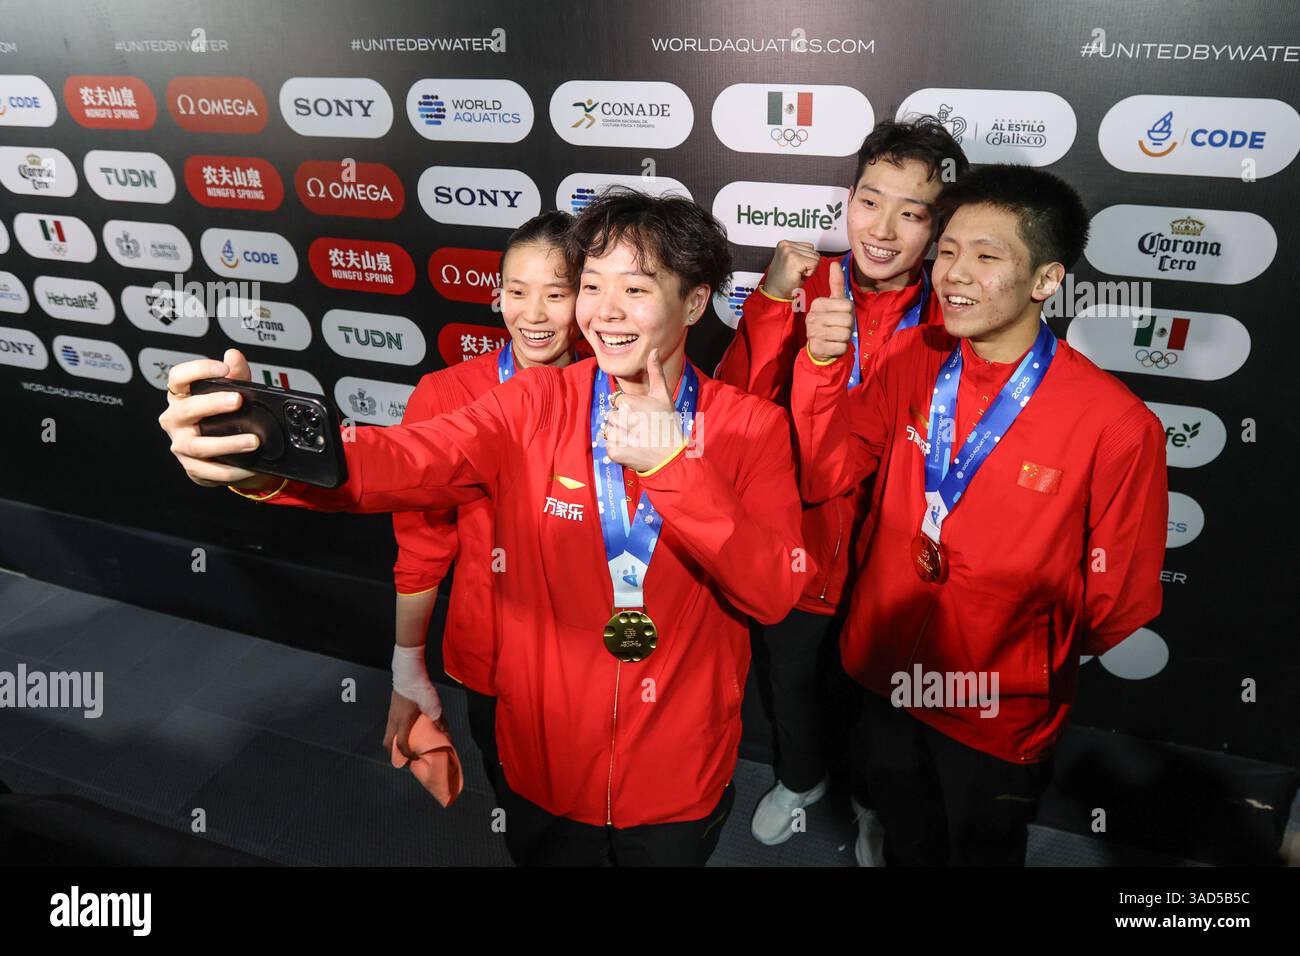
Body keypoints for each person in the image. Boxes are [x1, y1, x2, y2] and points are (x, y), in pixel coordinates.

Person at [157, 189, 811, 867]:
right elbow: (405, 459)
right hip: (543, 765)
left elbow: (773, 591)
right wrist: (265, 455)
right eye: (590, 285)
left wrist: (675, 468)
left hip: (680, 775)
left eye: (636, 288)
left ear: (695, 302)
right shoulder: (534, 402)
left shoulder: (749, 427)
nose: (605, 312)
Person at [791, 164, 1167, 866]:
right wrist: (818, 366)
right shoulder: (913, 356)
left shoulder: (1117, 425)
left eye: (988, 257)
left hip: (995, 713)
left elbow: (1121, 603)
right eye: (950, 252)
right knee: (905, 840)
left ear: (1046, 281)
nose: (954, 275)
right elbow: (828, 470)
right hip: (883, 677)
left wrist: (1018, 652)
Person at [715, 117, 968, 857]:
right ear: (848, 199)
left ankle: (870, 805)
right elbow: (732, 407)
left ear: (938, 226)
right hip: (797, 549)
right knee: (792, 690)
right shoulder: (806, 280)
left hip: (897, 560)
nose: (882, 228)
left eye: (912, 212)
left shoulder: (953, 317)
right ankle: (801, 780)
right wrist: (768, 297)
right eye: (869, 200)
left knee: (882, 710)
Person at [387, 211, 580, 799]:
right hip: (493, 657)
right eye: (517, 292)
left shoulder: (621, 396)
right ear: (497, 296)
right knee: (520, 805)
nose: (535, 314)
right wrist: (406, 661)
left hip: (594, 658)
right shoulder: (446, 396)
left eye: (558, 293)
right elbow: (422, 545)